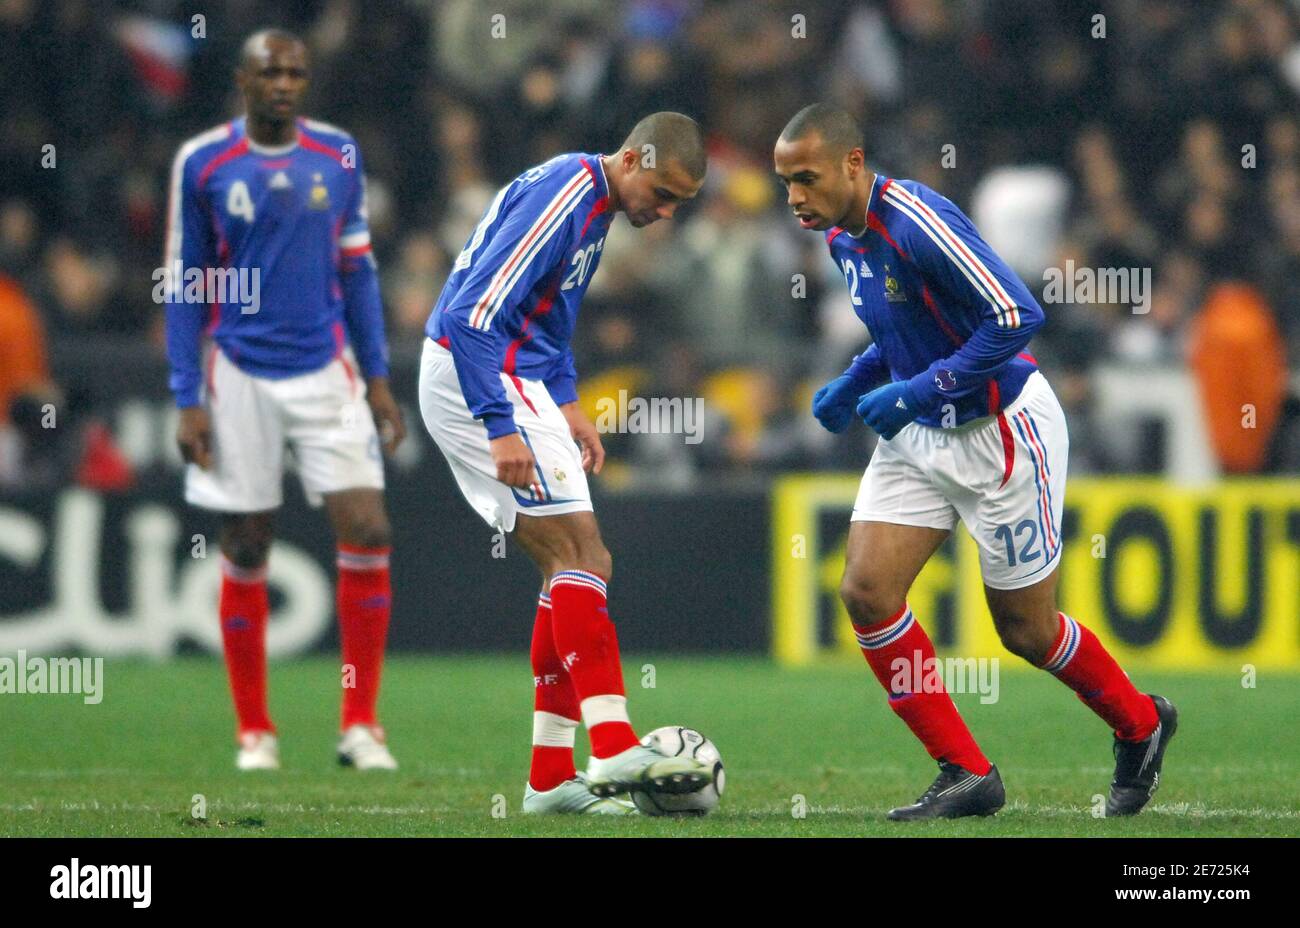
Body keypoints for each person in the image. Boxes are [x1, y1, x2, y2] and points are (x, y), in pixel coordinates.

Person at [774, 103, 1178, 820]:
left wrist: (916, 390)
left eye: (806, 178)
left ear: (853, 164)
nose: (795, 197)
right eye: (785, 183)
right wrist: (858, 379)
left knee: (1026, 630)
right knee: (867, 593)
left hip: (1002, 433)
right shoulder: (842, 239)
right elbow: (904, 328)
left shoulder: (918, 221)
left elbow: (1018, 315)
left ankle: (1141, 724)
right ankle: (964, 771)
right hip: (921, 435)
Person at [419, 112, 714, 814]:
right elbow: (470, 315)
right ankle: (611, 746)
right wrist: (500, 425)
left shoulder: (594, 202)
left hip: (519, 378)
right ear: (635, 157)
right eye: (664, 193)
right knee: (581, 552)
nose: (665, 212)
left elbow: (548, 314)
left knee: (574, 563)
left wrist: (567, 400)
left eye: (679, 205)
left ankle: (551, 779)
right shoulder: (563, 194)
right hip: (480, 376)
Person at [165, 30, 405, 771]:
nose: (285, 83)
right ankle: (254, 732)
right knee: (246, 542)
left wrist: (377, 374)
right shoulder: (204, 161)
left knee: (367, 527)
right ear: (243, 79)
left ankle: (360, 725)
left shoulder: (337, 154)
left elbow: (359, 270)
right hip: (238, 371)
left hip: (325, 366)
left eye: (296, 73)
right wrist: (186, 394)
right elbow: (187, 281)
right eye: (271, 72)